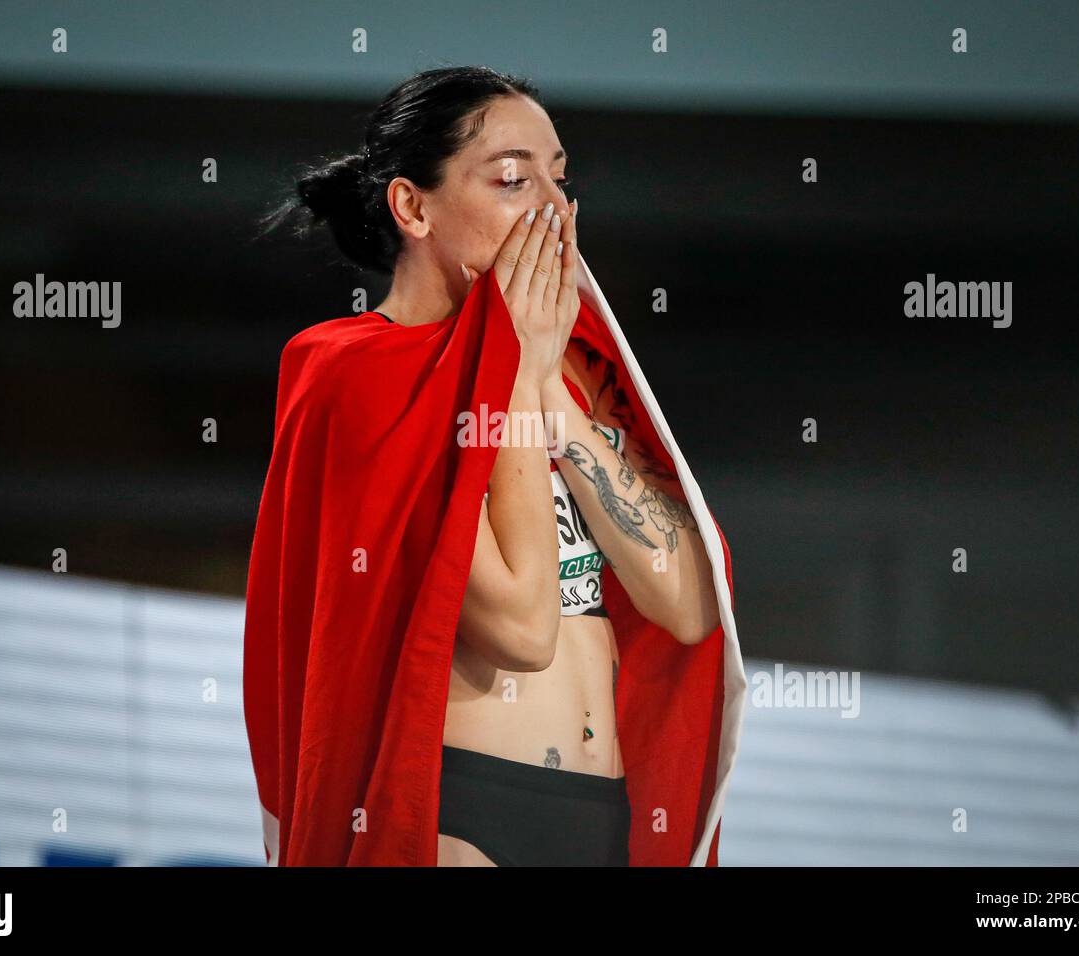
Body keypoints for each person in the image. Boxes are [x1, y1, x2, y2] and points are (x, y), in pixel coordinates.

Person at [248, 65, 740, 867]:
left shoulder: (571, 368)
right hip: (460, 810)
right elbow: (521, 629)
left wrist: (545, 384)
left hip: (603, 812)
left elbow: (691, 605)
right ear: (412, 206)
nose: (552, 208)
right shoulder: (356, 368)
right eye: (513, 178)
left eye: (560, 177)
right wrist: (517, 374)